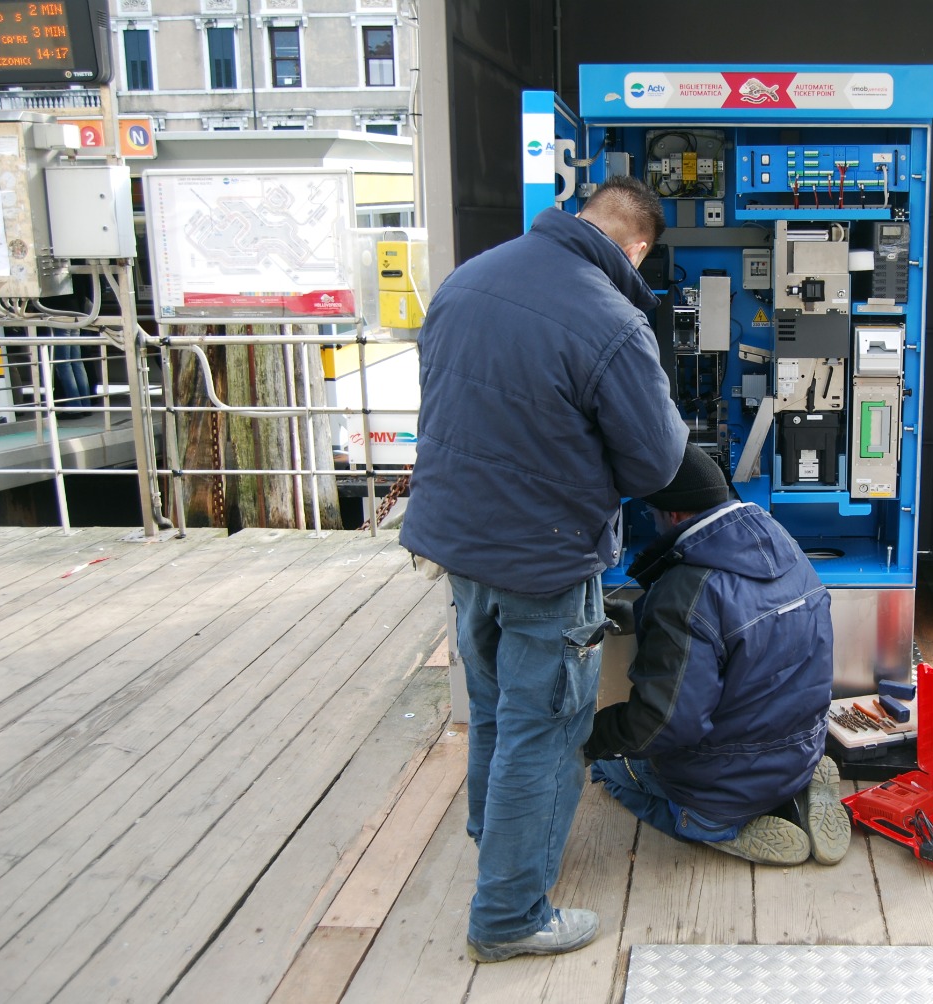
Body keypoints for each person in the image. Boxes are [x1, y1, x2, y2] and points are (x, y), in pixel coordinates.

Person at [399, 176, 687, 964]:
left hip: (459, 544)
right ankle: (510, 914)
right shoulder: (611, 320)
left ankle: (495, 838)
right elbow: (658, 461)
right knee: (548, 728)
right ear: (633, 247)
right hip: (544, 557)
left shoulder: (470, 277)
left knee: (493, 704)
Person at [583, 443, 848, 867]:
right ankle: (802, 786)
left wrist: (589, 736)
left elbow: (664, 723)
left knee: (611, 771)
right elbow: (738, 624)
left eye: (651, 513)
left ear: (672, 515)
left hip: (722, 785)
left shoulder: (684, 591)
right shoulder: (779, 543)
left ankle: (714, 827)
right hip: (803, 748)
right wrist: (642, 615)